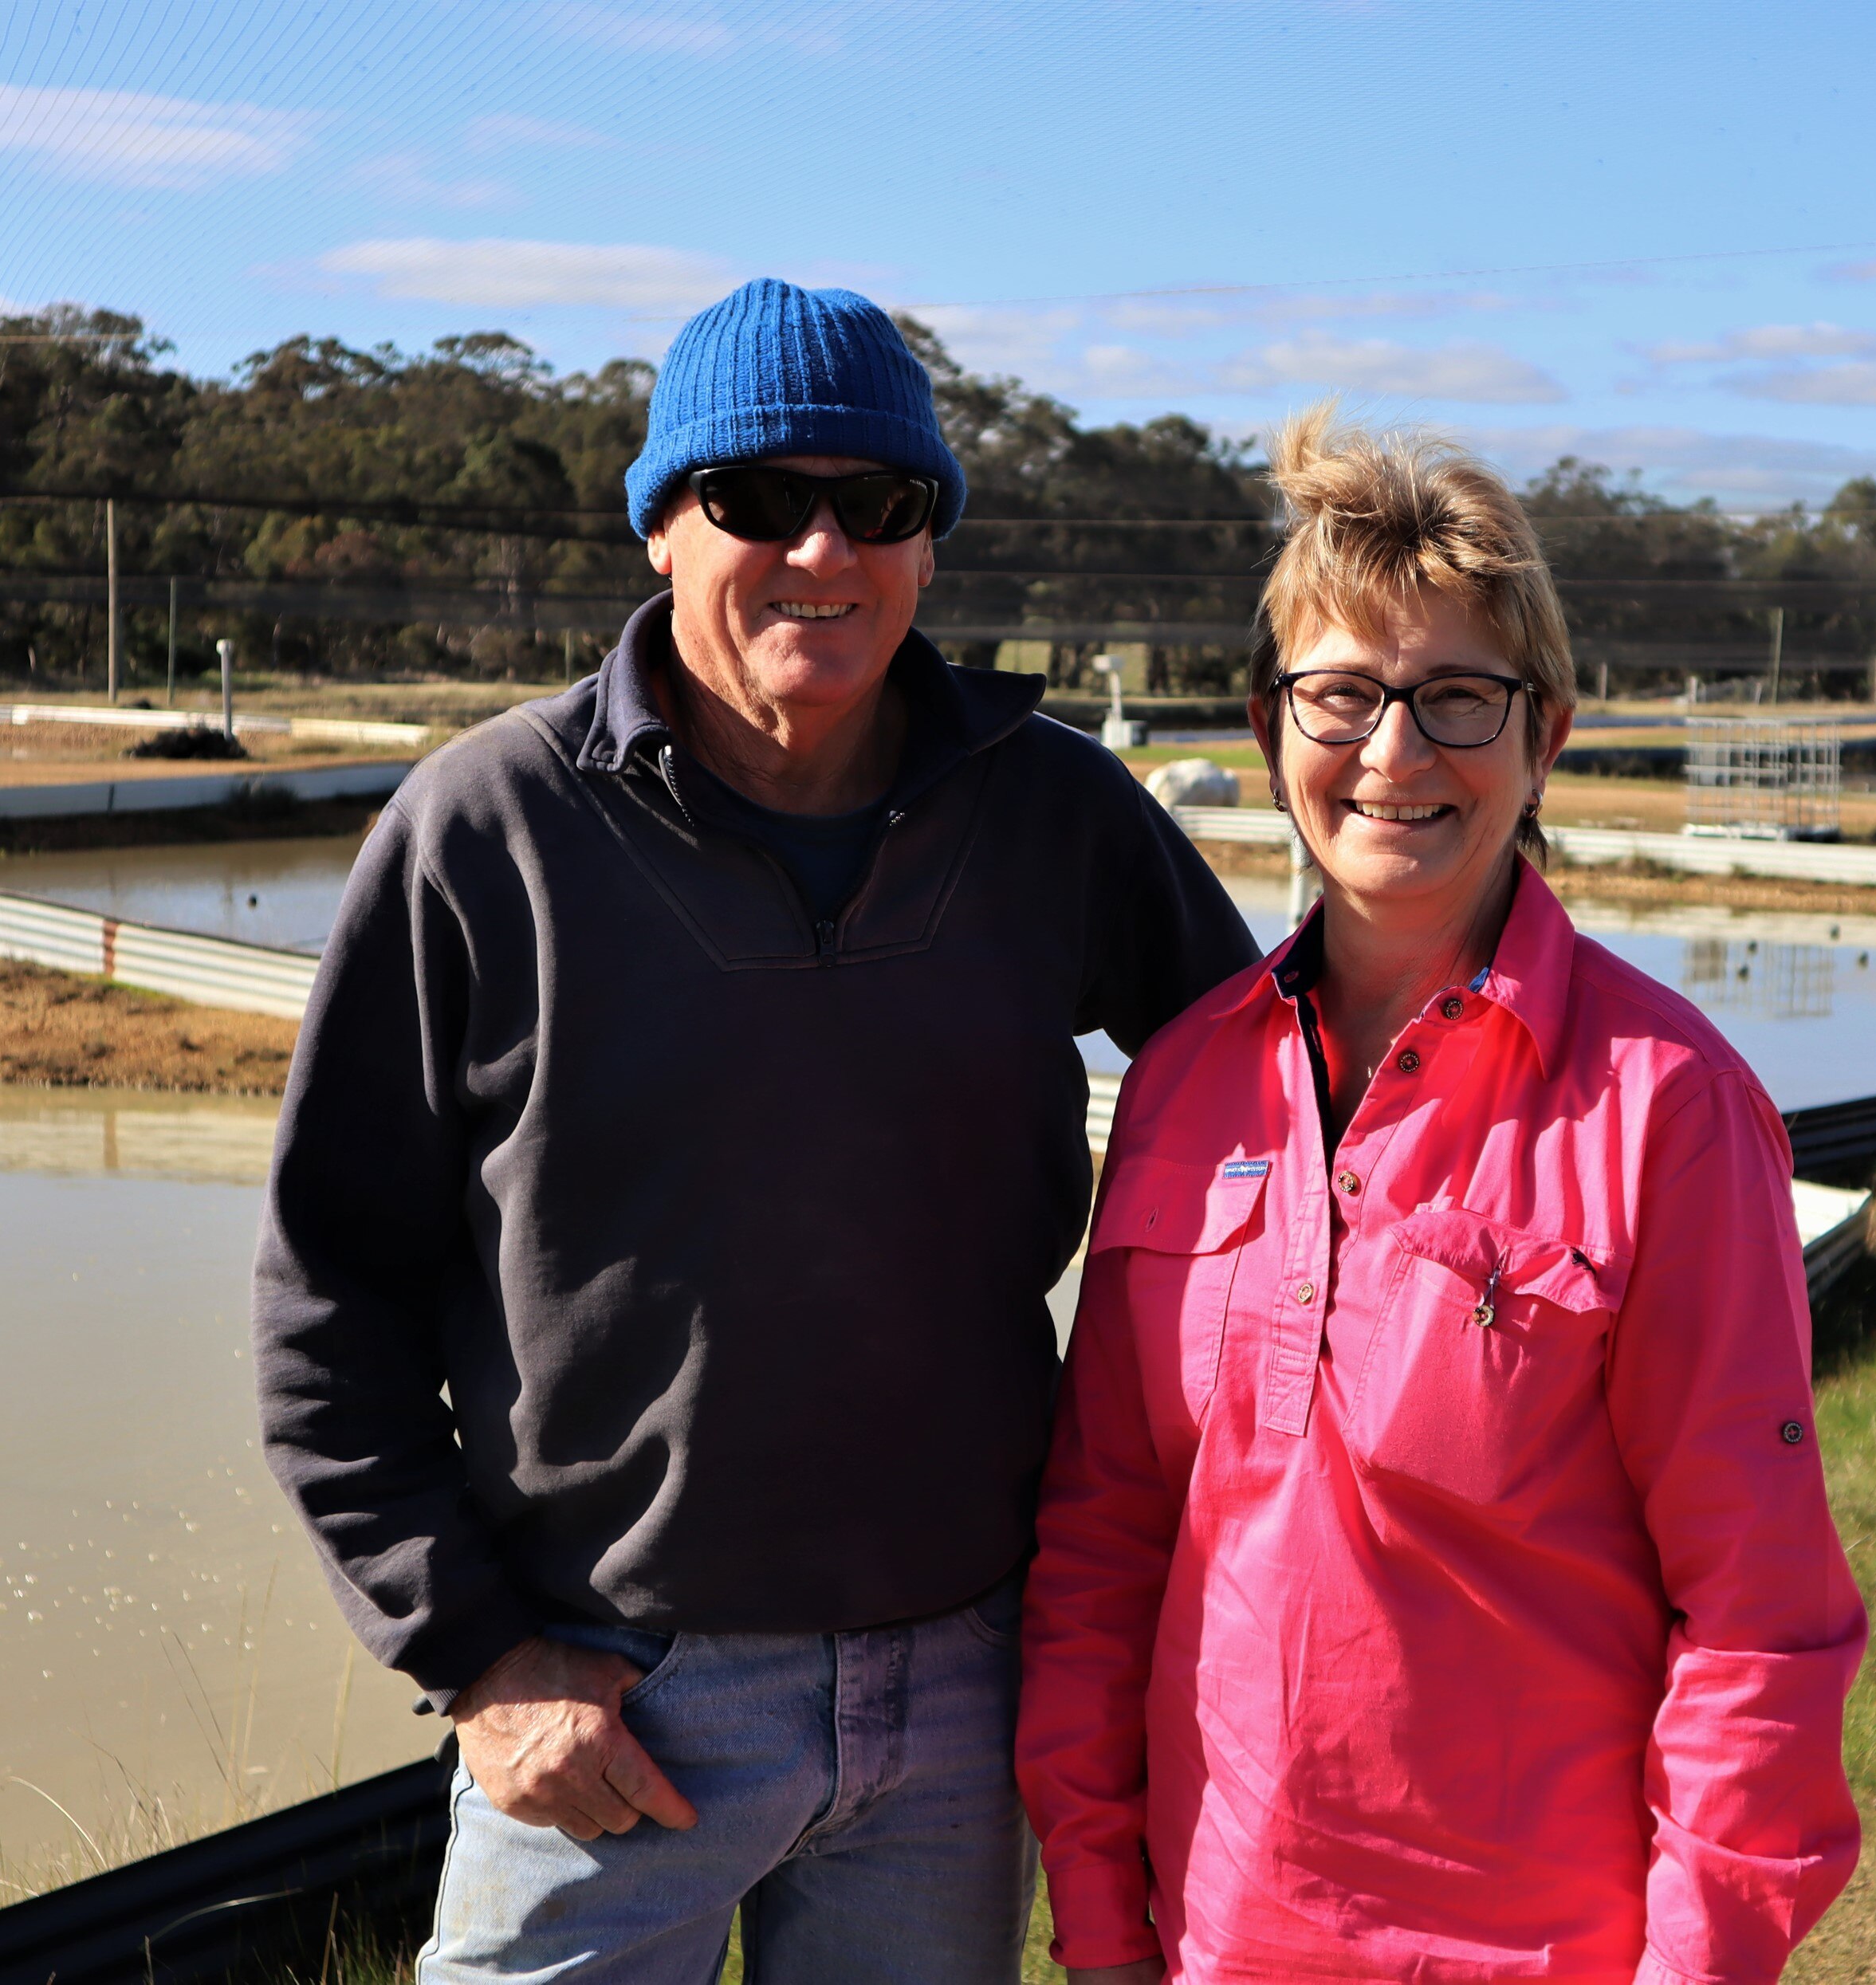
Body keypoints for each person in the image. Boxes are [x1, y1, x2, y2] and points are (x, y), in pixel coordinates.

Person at [254, 277, 1260, 1983]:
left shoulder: (1049, 812)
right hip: (606, 1690)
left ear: (927, 545)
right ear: (660, 524)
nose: (820, 551)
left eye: (876, 505)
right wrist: (482, 1659)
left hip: (959, 1691)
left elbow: (1271, 1122)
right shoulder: (484, 828)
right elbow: (323, 1299)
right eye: (755, 502)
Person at [1017, 408, 1866, 1984]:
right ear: (1271, 725)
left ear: (1543, 734)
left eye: (1455, 698)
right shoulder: (1185, 1082)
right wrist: (1100, 1919)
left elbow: (1756, 1626)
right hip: (1205, 1941)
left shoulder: (1660, 1110)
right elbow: (1103, 1548)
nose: (1393, 754)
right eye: (1340, 696)